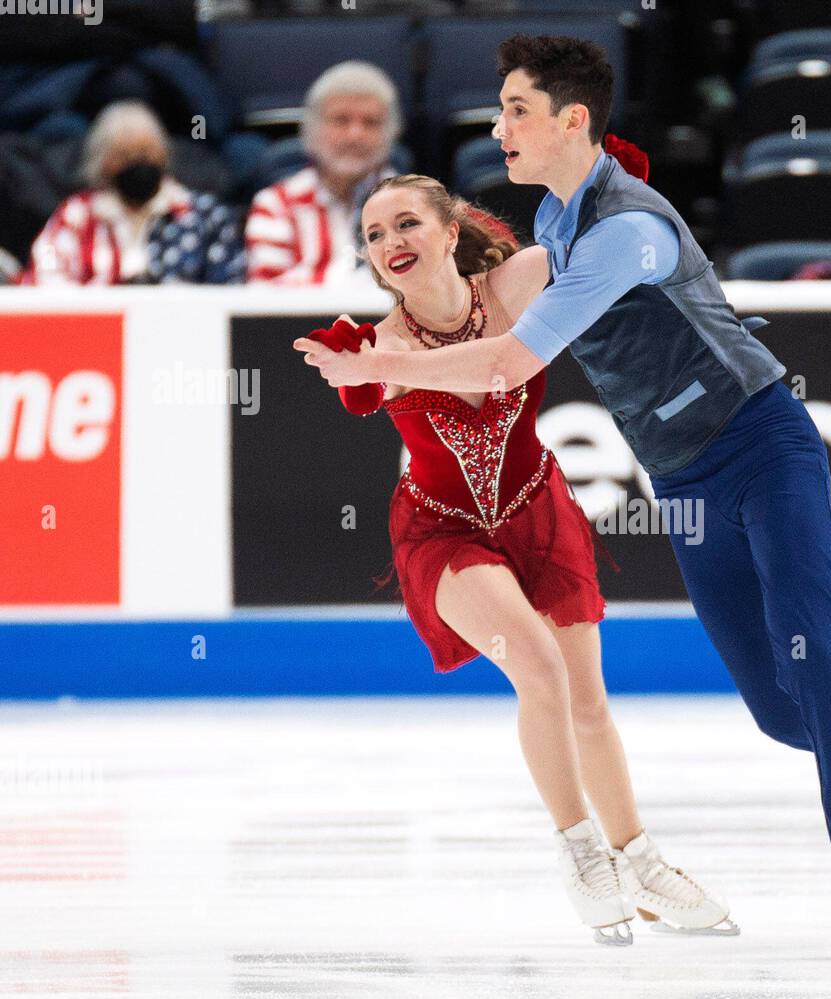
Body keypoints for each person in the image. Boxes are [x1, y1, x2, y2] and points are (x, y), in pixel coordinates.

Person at [297, 36, 831, 956]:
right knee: (774, 706)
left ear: (571, 121)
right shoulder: (556, 228)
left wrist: (380, 362)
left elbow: (507, 362)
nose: (498, 127)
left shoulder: (625, 231)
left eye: (516, 110)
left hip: (764, 445)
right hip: (682, 479)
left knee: (814, 658)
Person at [295, 172, 736, 945]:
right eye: (373, 235)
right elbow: (403, 375)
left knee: (589, 701)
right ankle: (580, 851)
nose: (391, 243)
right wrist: (366, 370)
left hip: (538, 510)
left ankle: (642, 859)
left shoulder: (519, 282)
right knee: (539, 670)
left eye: (405, 224)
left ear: (449, 228)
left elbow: (593, 256)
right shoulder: (382, 346)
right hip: (443, 533)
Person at [20, 101, 244, 286]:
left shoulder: (204, 216)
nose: (138, 163)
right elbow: (45, 278)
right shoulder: (75, 215)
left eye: (147, 153)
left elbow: (230, 286)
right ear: (102, 163)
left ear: (164, 156)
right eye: (125, 156)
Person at [245, 62, 402, 285]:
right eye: (341, 120)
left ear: (391, 134)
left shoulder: (419, 206)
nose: (355, 135)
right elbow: (266, 300)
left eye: (371, 122)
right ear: (311, 130)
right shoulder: (275, 205)